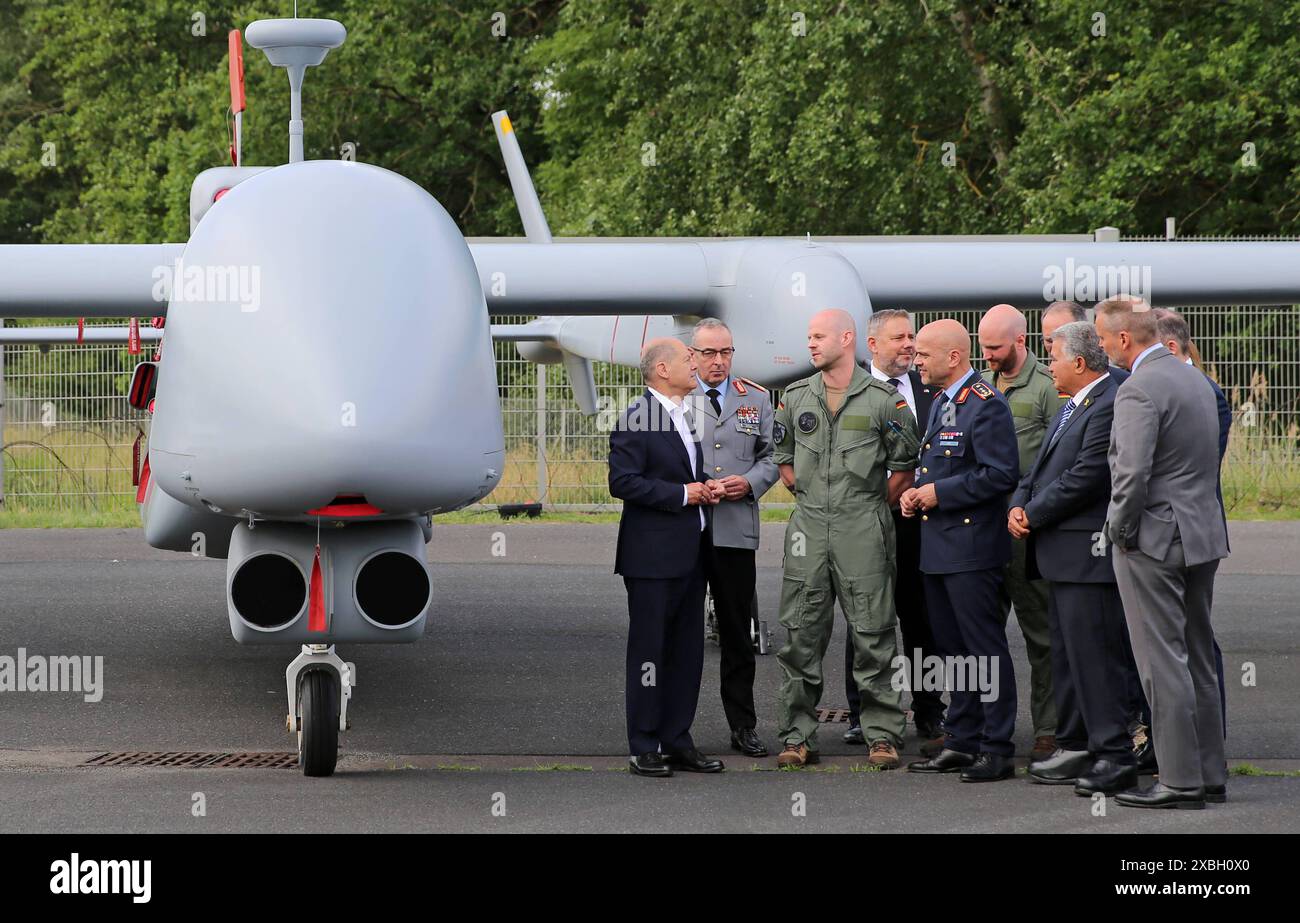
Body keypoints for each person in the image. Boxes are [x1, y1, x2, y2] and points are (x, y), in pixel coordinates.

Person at [1094, 297, 1229, 809]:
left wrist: (1119, 532)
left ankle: (1178, 779)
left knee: (1160, 661)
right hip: (1202, 534)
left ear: (1124, 339)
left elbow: (1130, 476)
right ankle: (1209, 773)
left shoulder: (1138, 390)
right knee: (1197, 655)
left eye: (1105, 339)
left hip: (1154, 538)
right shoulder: (1195, 379)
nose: (1103, 348)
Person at [771, 308, 919, 769]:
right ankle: (798, 736)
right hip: (809, 528)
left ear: (847, 338)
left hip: (864, 528)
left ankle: (881, 734)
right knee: (800, 632)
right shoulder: (795, 397)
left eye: (818, 336)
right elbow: (783, 459)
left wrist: (869, 506)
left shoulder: (883, 400)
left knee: (874, 633)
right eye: (809, 336)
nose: (811, 344)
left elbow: (904, 465)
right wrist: (812, 496)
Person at [1009, 322, 1137, 796]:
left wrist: (1033, 512)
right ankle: (1076, 743)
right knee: (1066, 656)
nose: (1049, 367)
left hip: (1086, 556)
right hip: (1058, 556)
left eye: (1055, 358)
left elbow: (1088, 476)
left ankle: (1114, 754)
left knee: (1095, 658)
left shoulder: (1107, 404)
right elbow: (1039, 468)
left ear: (1079, 364)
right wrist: (1019, 503)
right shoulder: (1073, 404)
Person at [903, 320, 1021, 782]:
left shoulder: (985, 407)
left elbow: (999, 475)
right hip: (939, 549)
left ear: (954, 357)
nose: (917, 363)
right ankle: (961, 739)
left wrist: (939, 494)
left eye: (924, 355)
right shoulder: (942, 402)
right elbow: (935, 465)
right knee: (952, 652)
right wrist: (918, 492)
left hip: (972, 550)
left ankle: (997, 747)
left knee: (983, 651)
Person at [609, 337, 726, 778]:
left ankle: (678, 739)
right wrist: (682, 494)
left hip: (689, 555)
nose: (696, 364)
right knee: (649, 653)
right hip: (652, 560)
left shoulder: (681, 415)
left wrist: (702, 488)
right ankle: (644, 744)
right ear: (662, 369)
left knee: (686, 652)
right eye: (688, 359)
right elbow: (623, 483)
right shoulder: (637, 418)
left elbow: (678, 475)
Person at [842, 309, 945, 754]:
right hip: (864, 525)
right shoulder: (848, 390)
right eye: (899, 338)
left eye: (913, 337)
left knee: (922, 621)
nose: (909, 345)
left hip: (917, 527)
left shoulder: (934, 389)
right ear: (873, 345)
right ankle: (861, 711)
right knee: (864, 618)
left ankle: (929, 710)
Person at [689, 318, 781, 758]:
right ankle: (676, 729)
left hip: (734, 530)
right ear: (692, 356)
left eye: (725, 352)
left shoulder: (756, 398)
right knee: (683, 632)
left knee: (737, 633)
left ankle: (743, 725)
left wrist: (748, 483)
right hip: (687, 530)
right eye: (709, 353)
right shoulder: (676, 400)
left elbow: (772, 456)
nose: (718, 361)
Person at [979, 303, 1065, 762]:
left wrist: (1033, 511)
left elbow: (1062, 458)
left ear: (1021, 340)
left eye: (995, 347)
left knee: (1041, 632)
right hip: (983, 530)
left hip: (1027, 530)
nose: (988, 355)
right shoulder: (981, 386)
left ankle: (1049, 729)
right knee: (981, 633)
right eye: (982, 347)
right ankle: (986, 728)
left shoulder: (1050, 388)